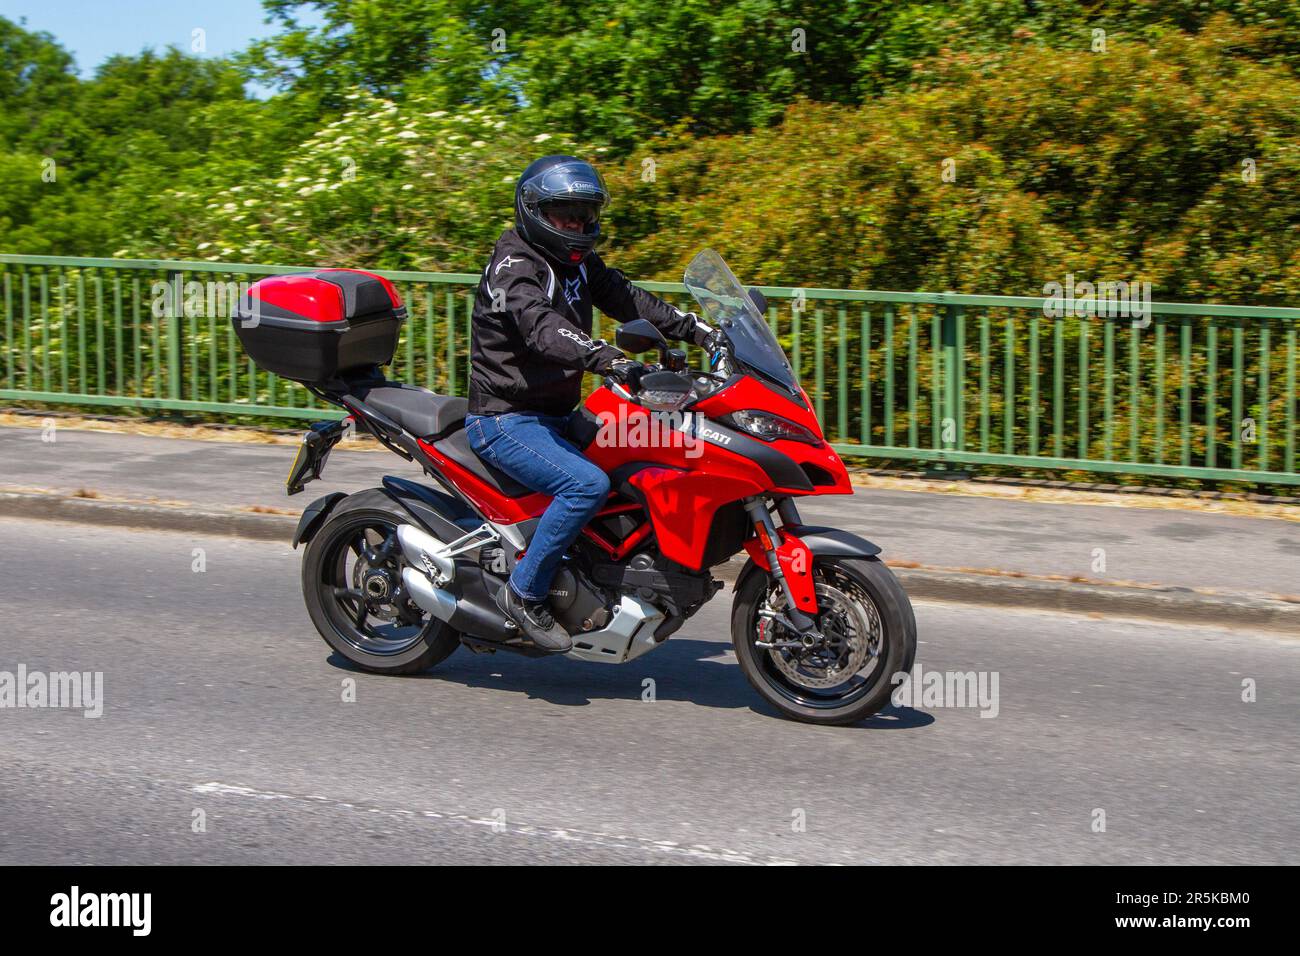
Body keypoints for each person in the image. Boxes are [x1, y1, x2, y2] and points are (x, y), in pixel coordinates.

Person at [465, 155, 720, 652]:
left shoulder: (576, 263)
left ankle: (606, 576)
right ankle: (525, 592)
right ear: (534, 210)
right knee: (586, 485)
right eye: (565, 215)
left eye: (585, 215)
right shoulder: (515, 267)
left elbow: (629, 298)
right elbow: (541, 327)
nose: (577, 226)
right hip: (505, 418)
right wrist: (608, 359)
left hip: (557, 413)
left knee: (655, 453)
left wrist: (701, 331)